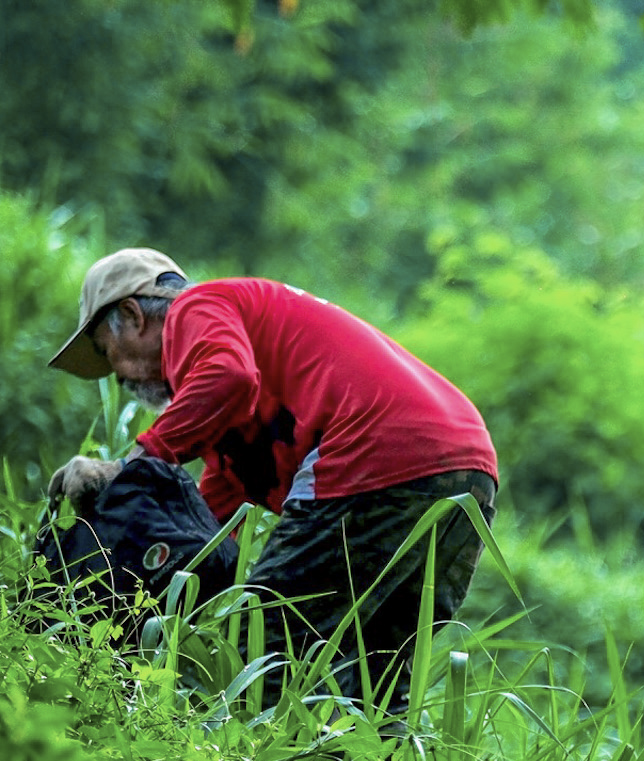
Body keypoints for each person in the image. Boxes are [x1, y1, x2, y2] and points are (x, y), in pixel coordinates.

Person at [47, 248, 498, 702]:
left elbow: (227, 376)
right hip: (468, 468)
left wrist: (127, 470)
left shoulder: (196, 308)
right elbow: (208, 536)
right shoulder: (234, 433)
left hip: (379, 451)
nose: (119, 377)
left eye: (109, 353)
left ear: (133, 314)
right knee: (374, 680)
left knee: (262, 641)